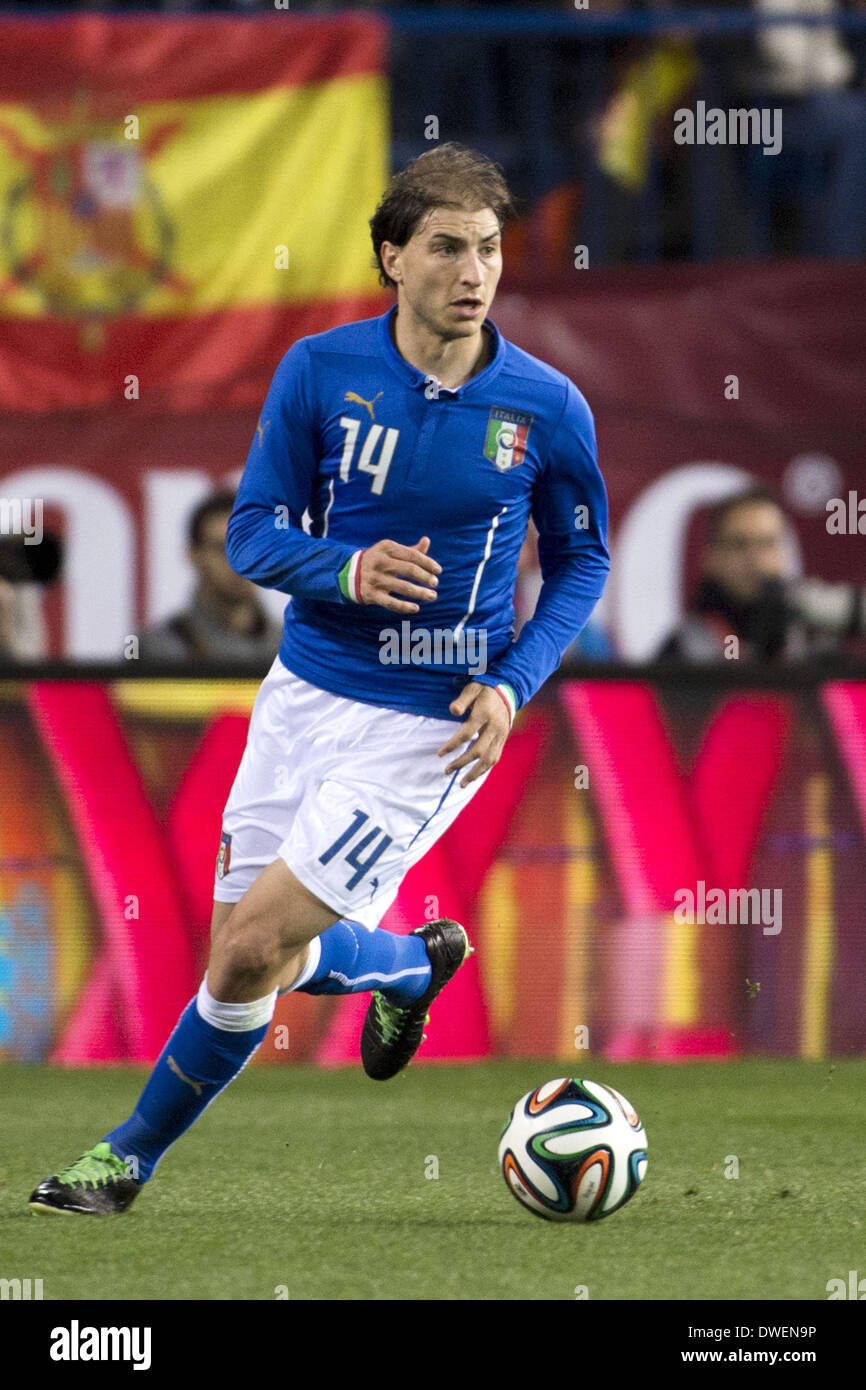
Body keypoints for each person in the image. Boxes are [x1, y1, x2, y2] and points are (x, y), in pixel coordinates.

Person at [29, 142, 609, 1216]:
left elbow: (581, 560)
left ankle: (122, 1163)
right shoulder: (318, 371)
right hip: (302, 695)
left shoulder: (545, 406)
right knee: (251, 961)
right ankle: (403, 966)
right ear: (392, 256)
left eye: (486, 249)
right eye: (444, 248)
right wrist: (342, 565)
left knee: (250, 943)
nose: (471, 271)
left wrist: (514, 680)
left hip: (429, 723)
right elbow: (250, 533)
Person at [657, 487, 866, 662]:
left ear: (785, 554)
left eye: (767, 544)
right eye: (739, 544)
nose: (754, 558)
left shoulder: (819, 645)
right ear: (711, 557)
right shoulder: (683, 650)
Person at [137, 490, 283, 666]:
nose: (238, 564)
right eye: (221, 549)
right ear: (194, 555)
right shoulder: (156, 649)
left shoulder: (292, 647)